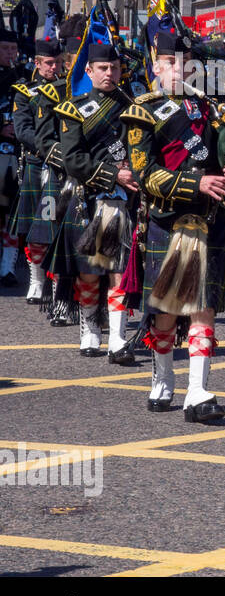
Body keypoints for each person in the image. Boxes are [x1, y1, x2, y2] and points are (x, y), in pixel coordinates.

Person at [126, 31, 225, 420]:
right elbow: (144, 174)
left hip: (209, 220)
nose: (177, 70)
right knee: (166, 311)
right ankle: (163, 377)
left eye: (184, 63)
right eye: (169, 63)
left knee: (204, 306)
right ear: (155, 67)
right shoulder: (141, 111)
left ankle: (198, 391)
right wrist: (195, 182)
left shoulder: (212, 109)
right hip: (166, 222)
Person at [53, 41, 139, 363]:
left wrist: (133, 173)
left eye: (114, 68)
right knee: (90, 272)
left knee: (118, 270)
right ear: (88, 71)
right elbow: (73, 160)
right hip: (87, 199)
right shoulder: (73, 109)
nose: (109, 73)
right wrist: (112, 176)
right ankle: (90, 327)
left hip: (124, 202)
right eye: (103, 68)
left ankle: (117, 340)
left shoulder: (133, 106)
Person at [7, 34, 65, 304]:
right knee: (33, 229)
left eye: (59, 63)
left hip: (59, 171)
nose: (55, 68)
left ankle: (54, 284)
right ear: (38, 63)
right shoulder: (24, 92)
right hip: (35, 165)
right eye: (50, 63)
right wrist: (51, 148)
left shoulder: (69, 91)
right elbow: (22, 131)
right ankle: (36, 280)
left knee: (51, 225)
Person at [0, 26, 25, 285]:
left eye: (13, 49)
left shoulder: (22, 77)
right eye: (5, 49)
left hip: (15, 156)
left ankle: (7, 268)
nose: (11, 53)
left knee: (12, 215)